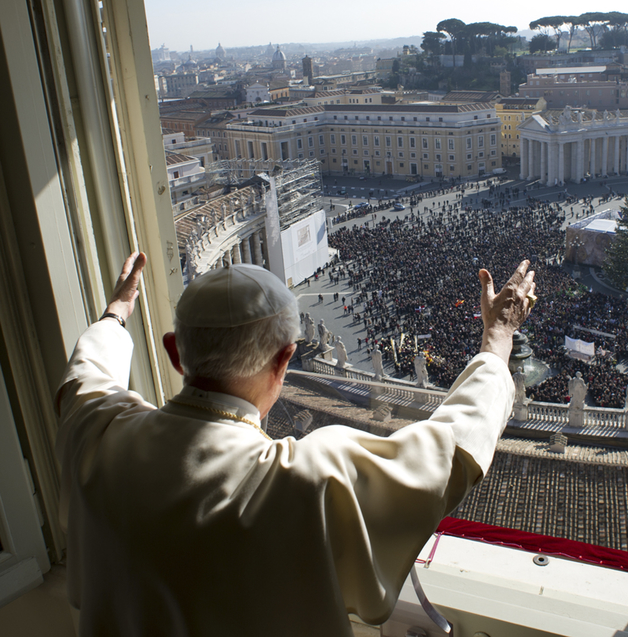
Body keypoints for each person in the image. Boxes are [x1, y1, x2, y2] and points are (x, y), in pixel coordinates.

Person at [55, 252, 536, 637]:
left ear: (174, 352)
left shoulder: (100, 432)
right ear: (285, 360)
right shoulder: (306, 479)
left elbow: (87, 375)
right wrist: (497, 338)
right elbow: (451, 448)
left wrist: (116, 313)